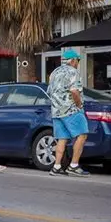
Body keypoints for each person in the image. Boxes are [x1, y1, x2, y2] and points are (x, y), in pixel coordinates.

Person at [47, 49, 89, 177]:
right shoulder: (73, 72)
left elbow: (49, 91)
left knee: (62, 138)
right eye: (78, 60)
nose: (78, 63)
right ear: (73, 60)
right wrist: (79, 104)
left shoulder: (54, 73)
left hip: (56, 111)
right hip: (71, 110)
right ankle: (74, 165)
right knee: (82, 135)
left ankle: (57, 167)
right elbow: (75, 91)